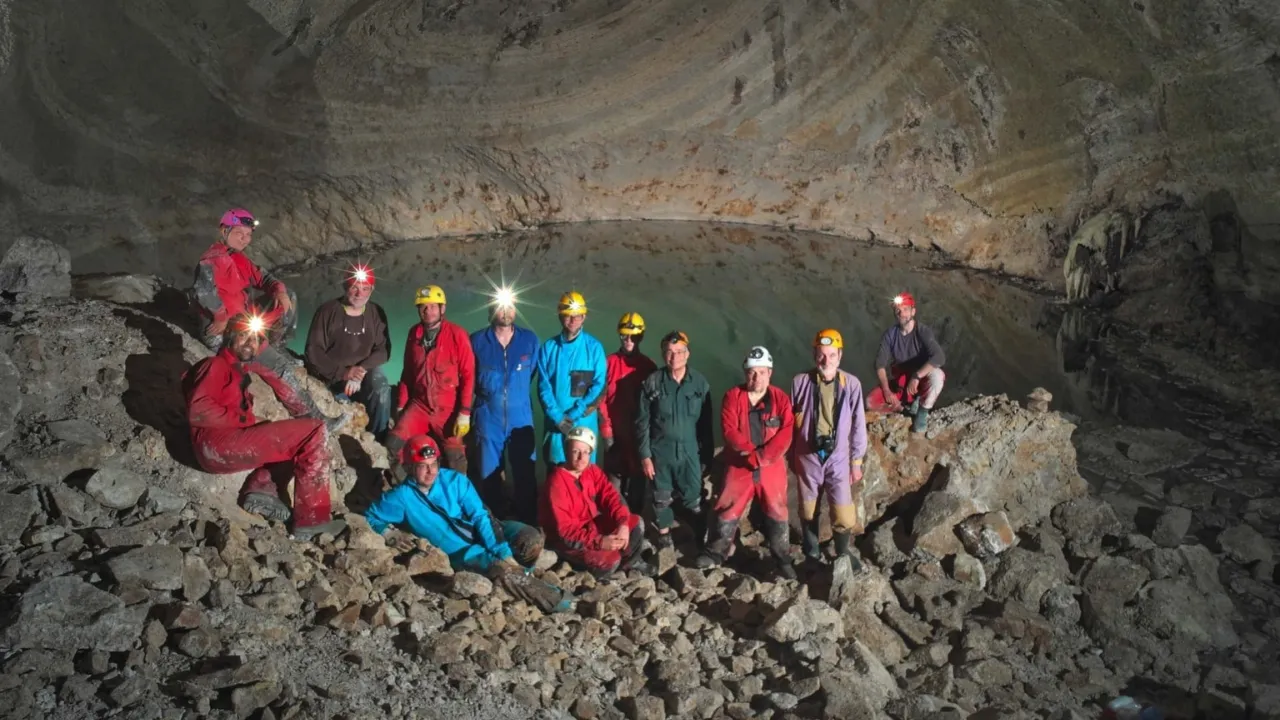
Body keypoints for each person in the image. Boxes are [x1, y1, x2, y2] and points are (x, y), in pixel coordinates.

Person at [184, 313, 347, 541]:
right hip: (217, 445)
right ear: (230, 336)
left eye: (255, 339)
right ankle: (312, 520)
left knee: (290, 440)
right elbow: (199, 409)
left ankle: (263, 488)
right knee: (313, 430)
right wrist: (244, 423)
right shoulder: (215, 365)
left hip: (220, 447)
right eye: (243, 336)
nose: (250, 343)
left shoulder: (238, 373)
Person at [365, 435, 569, 614]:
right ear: (409, 468)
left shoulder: (453, 480)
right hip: (464, 553)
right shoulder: (401, 498)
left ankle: (522, 575)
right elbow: (371, 516)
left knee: (530, 539)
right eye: (423, 466)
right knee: (504, 571)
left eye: (434, 463)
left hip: (489, 531)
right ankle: (559, 601)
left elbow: (481, 516)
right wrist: (388, 533)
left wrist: (503, 552)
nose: (431, 471)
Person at [192, 208, 333, 419]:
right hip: (222, 329)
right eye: (240, 233)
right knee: (281, 368)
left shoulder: (238, 259)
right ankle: (314, 418)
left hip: (241, 320)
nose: (245, 239)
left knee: (288, 296)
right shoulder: (213, 258)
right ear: (224, 230)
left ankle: (276, 344)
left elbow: (264, 278)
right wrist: (220, 316)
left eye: (249, 235)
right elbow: (202, 291)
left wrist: (280, 290)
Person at [697, 347, 796, 578]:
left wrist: (763, 457)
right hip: (740, 463)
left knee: (778, 508)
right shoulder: (733, 396)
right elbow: (729, 430)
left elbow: (787, 431)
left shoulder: (780, 399)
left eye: (761, 372)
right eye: (752, 372)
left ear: (769, 373)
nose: (756, 378)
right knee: (727, 504)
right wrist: (750, 454)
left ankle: (782, 559)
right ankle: (715, 553)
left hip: (770, 464)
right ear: (745, 373)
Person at [791, 329, 868, 569]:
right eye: (822, 355)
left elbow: (859, 425)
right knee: (807, 509)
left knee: (844, 513)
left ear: (840, 356)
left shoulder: (851, 384)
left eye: (832, 355)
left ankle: (842, 553)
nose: (826, 361)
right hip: (808, 457)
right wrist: (791, 456)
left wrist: (856, 462)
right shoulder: (800, 382)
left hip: (838, 458)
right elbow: (790, 422)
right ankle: (811, 552)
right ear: (814, 354)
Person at [635, 331, 714, 551]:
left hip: (690, 451)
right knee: (661, 497)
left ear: (687, 354)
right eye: (669, 352)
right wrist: (645, 456)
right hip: (660, 451)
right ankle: (664, 537)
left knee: (694, 497)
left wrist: (706, 458)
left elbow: (706, 426)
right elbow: (642, 423)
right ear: (663, 354)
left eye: (679, 352)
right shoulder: (652, 383)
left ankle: (699, 535)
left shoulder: (699, 383)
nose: (674, 357)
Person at [541, 426, 655, 578]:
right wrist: (600, 542)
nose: (581, 457)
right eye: (576, 451)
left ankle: (628, 563)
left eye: (586, 452)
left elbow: (611, 498)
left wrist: (622, 523)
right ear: (567, 451)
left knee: (634, 523)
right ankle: (607, 566)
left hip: (592, 528)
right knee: (610, 561)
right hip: (569, 540)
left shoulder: (592, 471)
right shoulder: (556, 482)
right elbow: (565, 532)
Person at [388, 285, 475, 479]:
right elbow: (408, 372)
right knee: (393, 446)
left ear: (442, 308)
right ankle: (409, 490)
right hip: (420, 406)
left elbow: (468, 374)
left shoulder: (457, 334)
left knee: (455, 459)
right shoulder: (414, 334)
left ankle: (455, 501)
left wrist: (464, 412)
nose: (428, 312)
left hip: (447, 408)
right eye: (423, 307)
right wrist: (402, 405)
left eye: (433, 307)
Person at [469, 291, 540, 522]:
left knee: (525, 470)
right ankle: (494, 519)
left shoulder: (529, 340)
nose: (506, 312)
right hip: (488, 415)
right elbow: (468, 377)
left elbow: (531, 373)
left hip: (520, 415)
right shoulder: (477, 341)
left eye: (510, 307)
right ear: (491, 310)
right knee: (488, 472)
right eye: (500, 307)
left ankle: (527, 518)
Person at [303, 264, 392, 441]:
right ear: (345, 286)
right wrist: (343, 373)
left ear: (372, 290)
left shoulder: (375, 312)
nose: (360, 294)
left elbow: (383, 350)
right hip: (332, 375)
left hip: (362, 373)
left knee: (381, 388)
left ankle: (379, 439)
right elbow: (313, 351)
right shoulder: (327, 311)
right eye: (354, 288)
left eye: (365, 289)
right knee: (342, 410)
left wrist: (360, 370)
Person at [536, 291, 607, 468]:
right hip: (555, 426)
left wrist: (574, 414)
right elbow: (543, 387)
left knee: (585, 477)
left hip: (584, 425)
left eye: (577, 316)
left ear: (584, 317)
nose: (573, 320)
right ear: (560, 315)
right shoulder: (549, 348)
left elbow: (598, 385)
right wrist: (557, 417)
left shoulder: (594, 348)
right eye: (568, 315)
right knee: (556, 474)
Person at [598, 312, 657, 512]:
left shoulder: (649, 367)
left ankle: (635, 524)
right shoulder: (608, 363)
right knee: (613, 484)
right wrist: (606, 433)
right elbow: (601, 400)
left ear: (641, 337)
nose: (629, 340)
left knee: (638, 486)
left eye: (634, 336)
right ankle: (614, 523)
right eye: (625, 336)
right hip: (615, 434)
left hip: (639, 436)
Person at [866, 292, 946, 433]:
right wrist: (887, 390)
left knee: (938, 376)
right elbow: (880, 364)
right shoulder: (890, 335)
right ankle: (903, 411)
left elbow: (939, 357)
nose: (902, 313)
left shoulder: (922, 331)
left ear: (913, 311)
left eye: (906, 309)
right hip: (902, 383)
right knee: (870, 402)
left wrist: (917, 376)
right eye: (898, 310)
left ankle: (922, 411)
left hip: (919, 382)